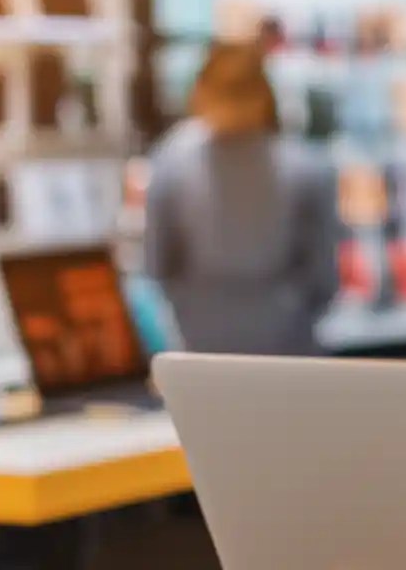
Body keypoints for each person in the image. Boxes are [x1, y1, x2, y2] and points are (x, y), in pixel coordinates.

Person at [145, 43, 339, 356]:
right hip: (233, 353)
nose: (231, 106)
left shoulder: (307, 171)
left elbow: (322, 279)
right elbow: (157, 265)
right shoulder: (171, 165)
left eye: (239, 93)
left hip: (267, 354)